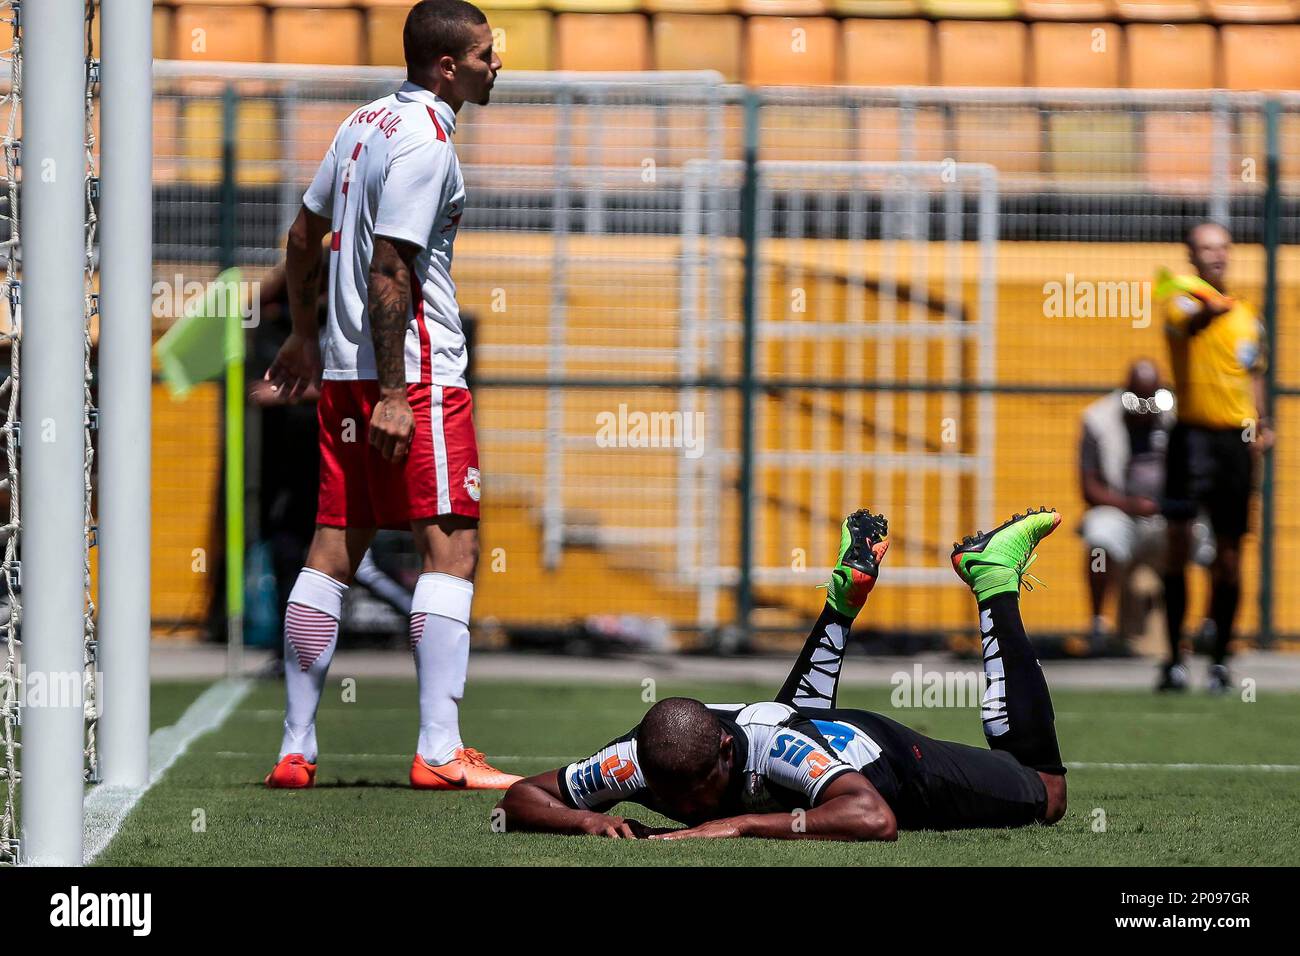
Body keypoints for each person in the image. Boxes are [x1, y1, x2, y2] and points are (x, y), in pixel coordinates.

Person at [262, 0, 517, 790]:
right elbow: (390, 270)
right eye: (484, 55)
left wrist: (304, 334)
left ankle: (295, 747)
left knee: (334, 546)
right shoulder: (428, 139)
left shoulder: (362, 122)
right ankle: (440, 751)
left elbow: (306, 234)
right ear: (447, 67)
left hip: (342, 369)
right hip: (416, 377)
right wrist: (400, 392)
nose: (495, 64)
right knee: (453, 550)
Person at [497, 508, 1067, 840]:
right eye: (675, 799)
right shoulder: (639, 760)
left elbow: (874, 819)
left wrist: (739, 824)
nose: (692, 811)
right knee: (794, 729)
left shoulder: (777, 752)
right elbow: (520, 799)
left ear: (725, 751)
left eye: (700, 796)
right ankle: (841, 601)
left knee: (1046, 792)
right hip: (797, 726)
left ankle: (992, 581)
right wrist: (584, 823)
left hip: (884, 757)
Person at [1158, 222, 1273, 694]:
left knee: (1229, 556)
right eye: (1207, 249)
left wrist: (1262, 424)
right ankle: (1172, 659)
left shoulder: (1247, 316)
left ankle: (1221, 659)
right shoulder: (1181, 302)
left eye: (1223, 248)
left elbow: (1255, 374)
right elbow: (1192, 322)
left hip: (1234, 443)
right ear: (1192, 256)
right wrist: (1210, 299)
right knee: (1178, 547)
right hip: (1191, 439)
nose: (1218, 255)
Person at [1078, 359, 1173, 652]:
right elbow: (1089, 487)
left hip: (1168, 513)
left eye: (1150, 399)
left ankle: (1206, 627)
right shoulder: (1098, 418)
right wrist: (1129, 504)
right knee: (1098, 534)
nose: (1144, 408)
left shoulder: (1176, 415)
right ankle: (1097, 624)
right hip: (1122, 511)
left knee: (1206, 532)